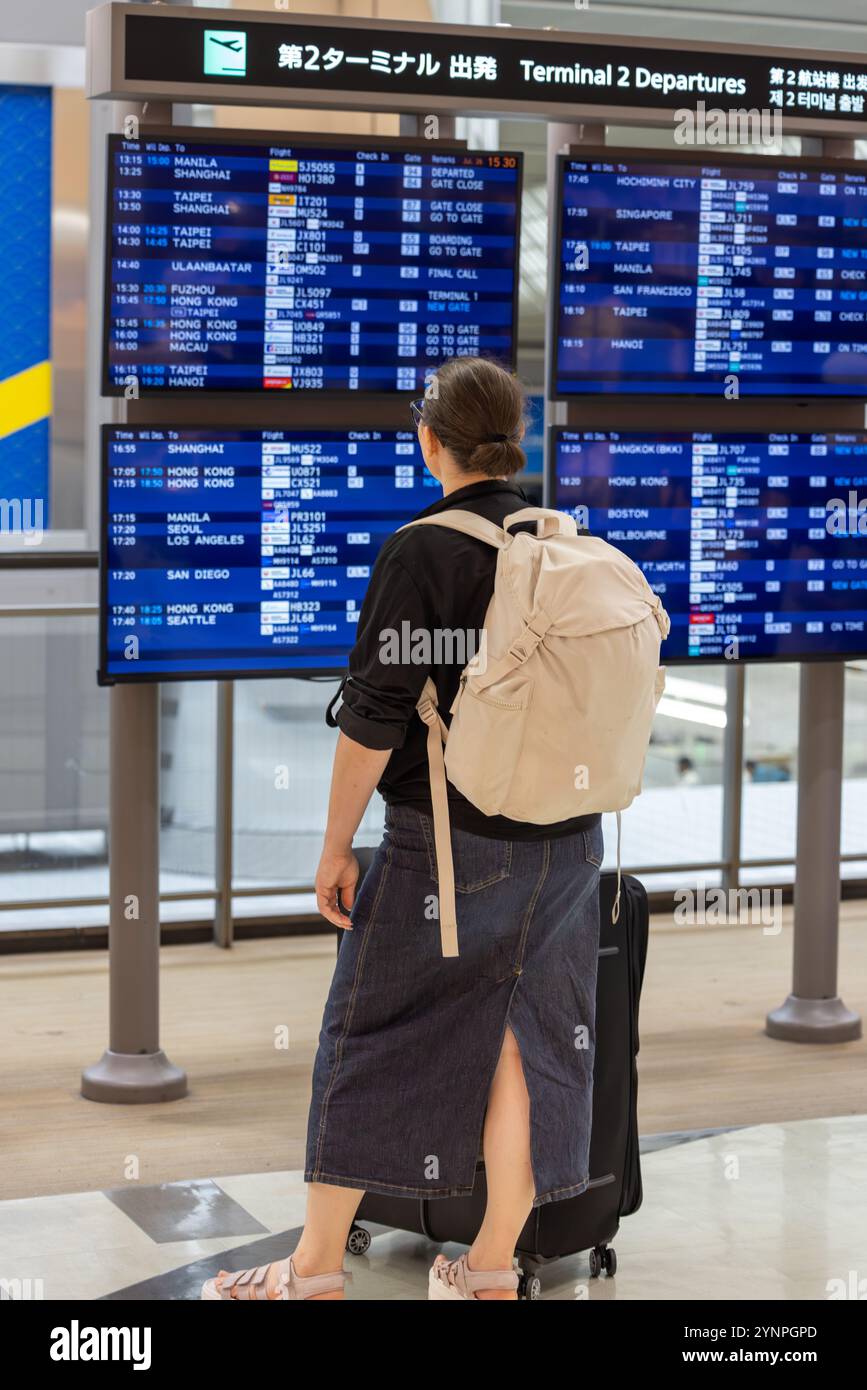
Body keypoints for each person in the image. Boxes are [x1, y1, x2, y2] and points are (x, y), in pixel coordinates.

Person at [202, 357, 604, 1302]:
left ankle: (312, 1268)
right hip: (571, 841)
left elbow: (375, 717)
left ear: (429, 440)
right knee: (527, 1037)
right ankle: (493, 1267)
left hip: (450, 845)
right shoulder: (561, 540)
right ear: (516, 438)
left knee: (369, 1032)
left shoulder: (423, 550)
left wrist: (336, 845)